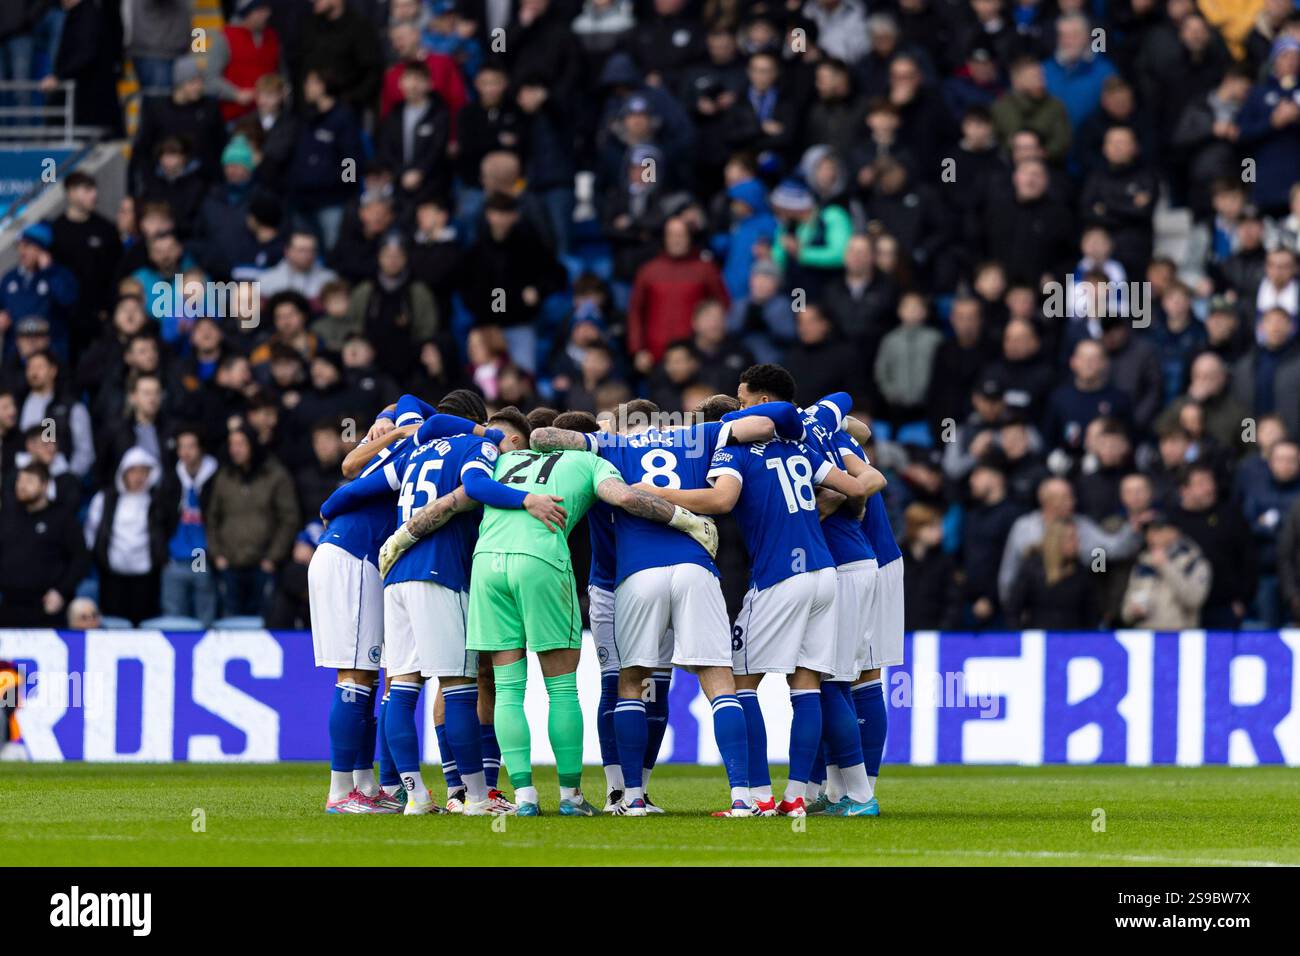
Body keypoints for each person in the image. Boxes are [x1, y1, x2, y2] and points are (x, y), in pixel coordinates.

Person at [379, 405, 716, 817]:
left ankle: (523, 798)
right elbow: (627, 498)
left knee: (507, 688)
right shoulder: (592, 460)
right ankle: (571, 797)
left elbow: (452, 501)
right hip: (541, 561)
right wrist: (689, 521)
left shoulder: (502, 458)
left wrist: (398, 540)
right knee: (560, 689)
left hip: (488, 566)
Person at [528, 395, 791, 816]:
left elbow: (541, 436)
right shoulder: (696, 435)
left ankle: (630, 797)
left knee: (631, 682)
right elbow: (766, 423)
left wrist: (593, 438)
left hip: (636, 576)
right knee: (719, 680)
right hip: (694, 568)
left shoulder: (611, 447)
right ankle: (742, 797)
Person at [206, 424, 299, 617]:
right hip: (230, 566)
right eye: (232, 444)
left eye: (241, 443)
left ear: (253, 445)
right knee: (230, 624)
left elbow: (289, 519)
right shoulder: (224, 477)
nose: (235, 449)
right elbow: (212, 518)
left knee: (263, 622)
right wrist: (217, 555)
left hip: (263, 566)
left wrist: (273, 557)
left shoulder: (276, 476)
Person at [0, 461, 88, 626]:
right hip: (9, 605)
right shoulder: (7, 516)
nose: (22, 486)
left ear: (45, 485)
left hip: (47, 606)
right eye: (20, 481)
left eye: (29, 481)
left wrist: (61, 592)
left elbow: (80, 558)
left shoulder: (62, 518)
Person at [83, 446, 162, 623]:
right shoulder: (105, 499)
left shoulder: (157, 501)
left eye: (143, 471)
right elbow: (91, 530)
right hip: (113, 576)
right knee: (114, 623)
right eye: (133, 471)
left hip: (146, 577)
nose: (138, 477)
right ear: (123, 473)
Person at [153, 426, 219, 625]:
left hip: (201, 557)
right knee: (173, 621)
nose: (186, 452)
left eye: (191, 446)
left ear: (201, 449)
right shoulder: (170, 478)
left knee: (205, 619)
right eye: (181, 447)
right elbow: (158, 518)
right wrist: (161, 554)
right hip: (174, 558)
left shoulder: (217, 478)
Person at [1120, 516, 1211, 629]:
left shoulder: (1193, 562)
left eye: (1158, 530)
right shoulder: (1143, 562)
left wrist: (1165, 566)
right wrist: (1133, 611)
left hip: (1179, 637)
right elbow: (1125, 612)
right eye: (1148, 531)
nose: (1151, 535)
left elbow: (1193, 599)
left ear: (1174, 532)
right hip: (1145, 636)